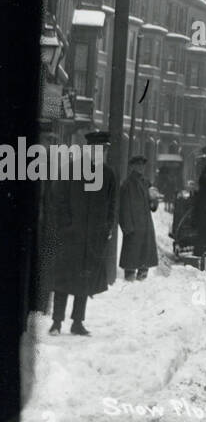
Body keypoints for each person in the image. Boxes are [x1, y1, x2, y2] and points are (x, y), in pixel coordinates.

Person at [45, 131, 118, 336]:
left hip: (93, 237)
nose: (100, 153)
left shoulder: (108, 174)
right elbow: (57, 200)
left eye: (103, 150)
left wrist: (106, 227)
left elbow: (112, 204)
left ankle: (77, 322)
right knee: (63, 278)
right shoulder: (70, 170)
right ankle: (56, 322)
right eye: (97, 149)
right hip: (71, 236)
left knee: (85, 279)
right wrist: (66, 226)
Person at [119, 156, 160, 281]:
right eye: (138, 165)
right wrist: (127, 226)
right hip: (133, 225)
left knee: (145, 256)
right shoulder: (127, 184)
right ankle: (129, 278)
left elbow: (152, 206)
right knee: (131, 256)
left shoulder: (146, 182)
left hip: (145, 225)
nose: (141, 168)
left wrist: (154, 200)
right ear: (132, 167)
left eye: (142, 166)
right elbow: (123, 208)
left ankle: (142, 277)